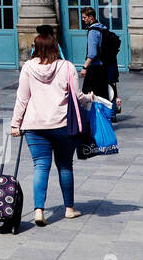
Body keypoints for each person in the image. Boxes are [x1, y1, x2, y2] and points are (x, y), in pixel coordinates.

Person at [11, 32, 93, 226]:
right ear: (56, 47)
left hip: (34, 125)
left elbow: (22, 98)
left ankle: (39, 210)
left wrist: (16, 123)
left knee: (40, 166)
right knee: (65, 166)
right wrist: (90, 98)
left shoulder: (28, 67)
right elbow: (77, 95)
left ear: (36, 48)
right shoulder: (67, 66)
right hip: (63, 124)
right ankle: (69, 209)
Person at [78, 7, 112, 101]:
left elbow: (92, 53)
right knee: (103, 95)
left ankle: (92, 115)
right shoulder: (102, 27)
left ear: (91, 17)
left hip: (95, 67)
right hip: (104, 65)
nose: (83, 19)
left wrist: (85, 67)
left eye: (84, 17)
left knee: (89, 95)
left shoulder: (93, 31)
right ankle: (104, 114)